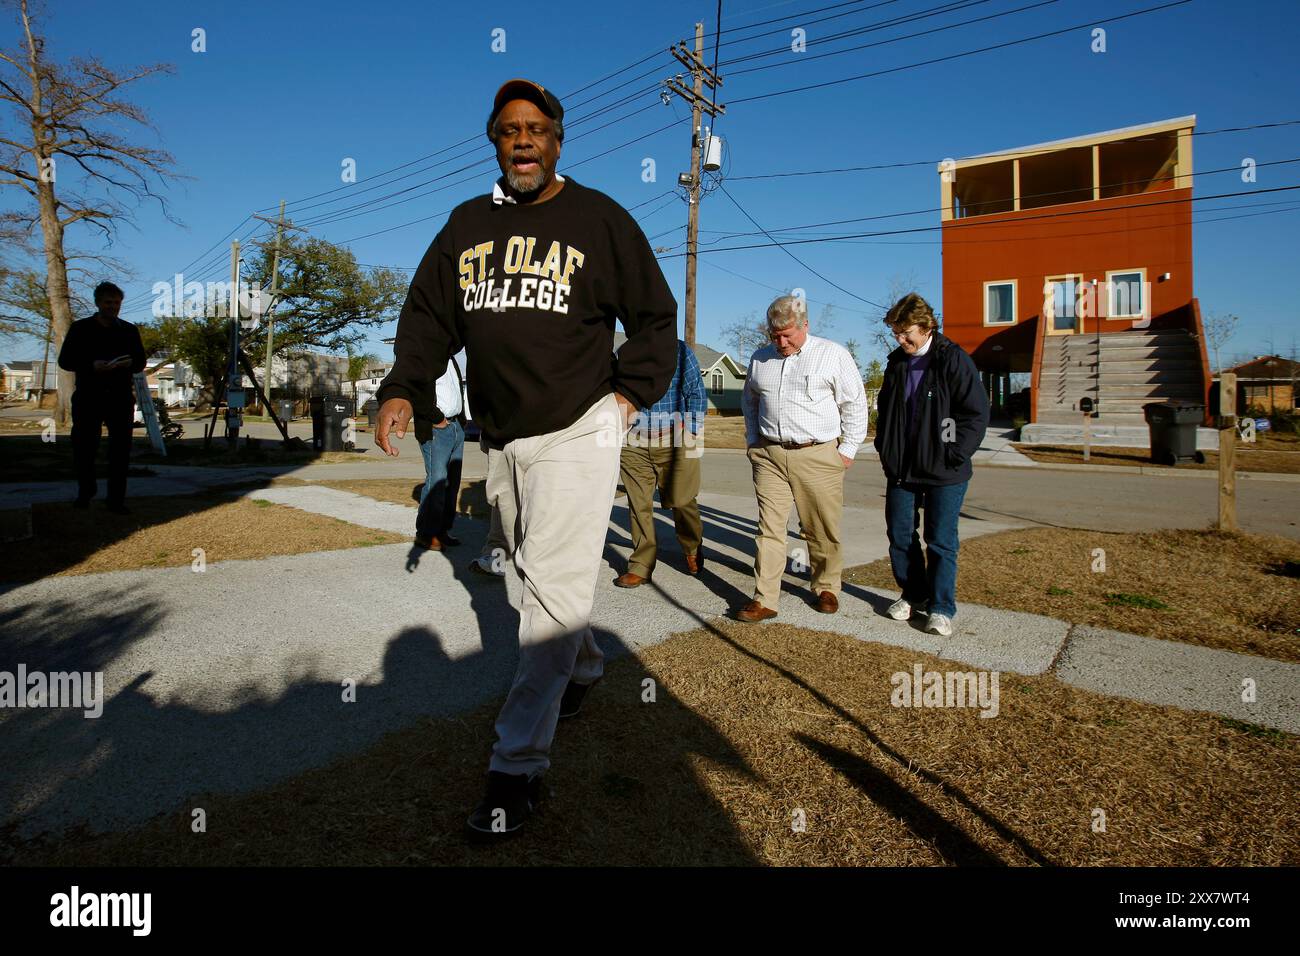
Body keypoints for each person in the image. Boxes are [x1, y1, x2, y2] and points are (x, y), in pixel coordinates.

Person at [373, 78, 677, 839]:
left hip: (581, 429)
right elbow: (428, 315)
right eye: (509, 129)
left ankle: (515, 772)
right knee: (526, 582)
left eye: (536, 128)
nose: (523, 141)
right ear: (494, 141)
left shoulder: (601, 218)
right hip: (502, 438)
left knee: (552, 601)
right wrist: (403, 385)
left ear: (558, 139)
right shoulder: (466, 225)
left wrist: (628, 399)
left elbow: (655, 319)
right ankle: (584, 670)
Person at [736, 295, 868, 622]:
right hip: (770, 455)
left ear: (805, 325)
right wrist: (754, 442)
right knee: (769, 529)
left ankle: (826, 586)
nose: (781, 342)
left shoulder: (832, 355)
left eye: (788, 335)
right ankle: (764, 598)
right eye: (775, 336)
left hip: (818, 454)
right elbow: (750, 402)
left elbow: (854, 404)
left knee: (820, 528)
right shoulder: (760, 359)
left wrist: (847, 450)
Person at [873, 293, 989, 638]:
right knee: (900, 535)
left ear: (927, 327)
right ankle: (913, 594)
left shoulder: (952, 360)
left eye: (906, 332)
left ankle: (941, 607)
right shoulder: (896, 363)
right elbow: (887, 413)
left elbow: (976, 414)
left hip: (944, 470)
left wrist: (953, 452)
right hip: (902, 469)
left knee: (939, 541)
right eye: (895, 333)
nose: (901, 339)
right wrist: (886, 449)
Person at [614, 339, 707, 587]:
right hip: (634, 442)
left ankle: (691, 545)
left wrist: (692, 431)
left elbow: (696, 392)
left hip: (674, 439)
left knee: (683, 500)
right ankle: (641, 565)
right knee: (639, 505)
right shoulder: (624, 353)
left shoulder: (680, 352)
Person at [57, 281, 146, 514]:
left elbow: (140, 362)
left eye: (117, 303)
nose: (113, 307)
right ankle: (86, 492)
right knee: (84, 447)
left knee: (120, 450)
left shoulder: (128, 330)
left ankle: (116, 499)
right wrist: (91, 365)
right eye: (108, 303)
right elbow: (65, 361)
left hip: (120, 397)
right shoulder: (80, 329)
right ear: (97, 302)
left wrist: (130, 363)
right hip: (89, 396)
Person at [413, 357, 466, 550]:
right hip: (436, 428)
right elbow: (415, 393)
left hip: (456, 427)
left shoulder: (451, 359)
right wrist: (437, 418)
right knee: (437, 480)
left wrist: (460, 422)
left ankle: (442, 530)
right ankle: (426, 534)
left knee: (452, 482)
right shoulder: (425, 358)